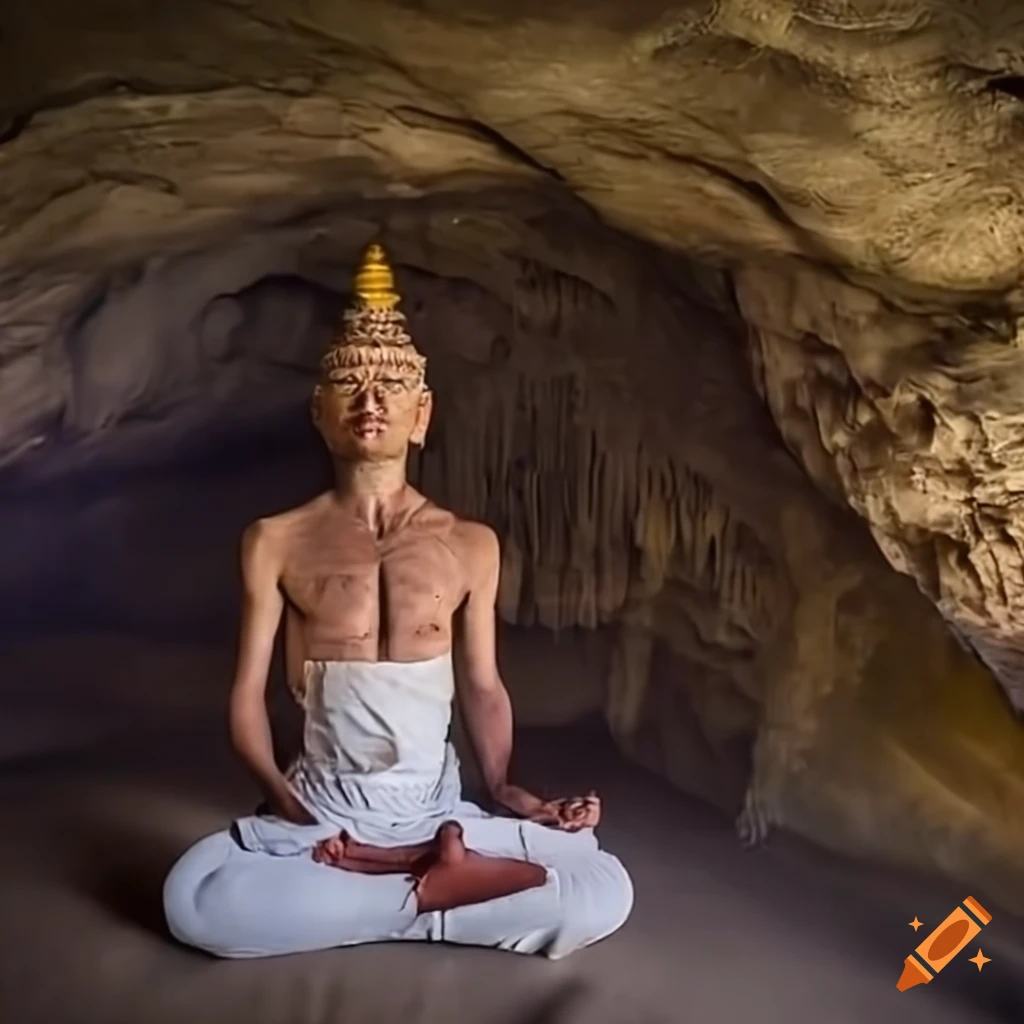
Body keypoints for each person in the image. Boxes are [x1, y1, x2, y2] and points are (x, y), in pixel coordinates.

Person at [163, 243, 633, 959]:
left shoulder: (471, 543)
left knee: (606, 881)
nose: (371, 400)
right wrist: (298, 816)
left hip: (435, 808)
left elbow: (481, 684)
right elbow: (246, 701)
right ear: (320, 412)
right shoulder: (275, 540)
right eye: (350, 386)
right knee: (193, 898)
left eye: (391, 386)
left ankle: (398, 881)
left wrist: (516, 796)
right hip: (327, 803)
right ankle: (436, 888)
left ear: (423, 413)